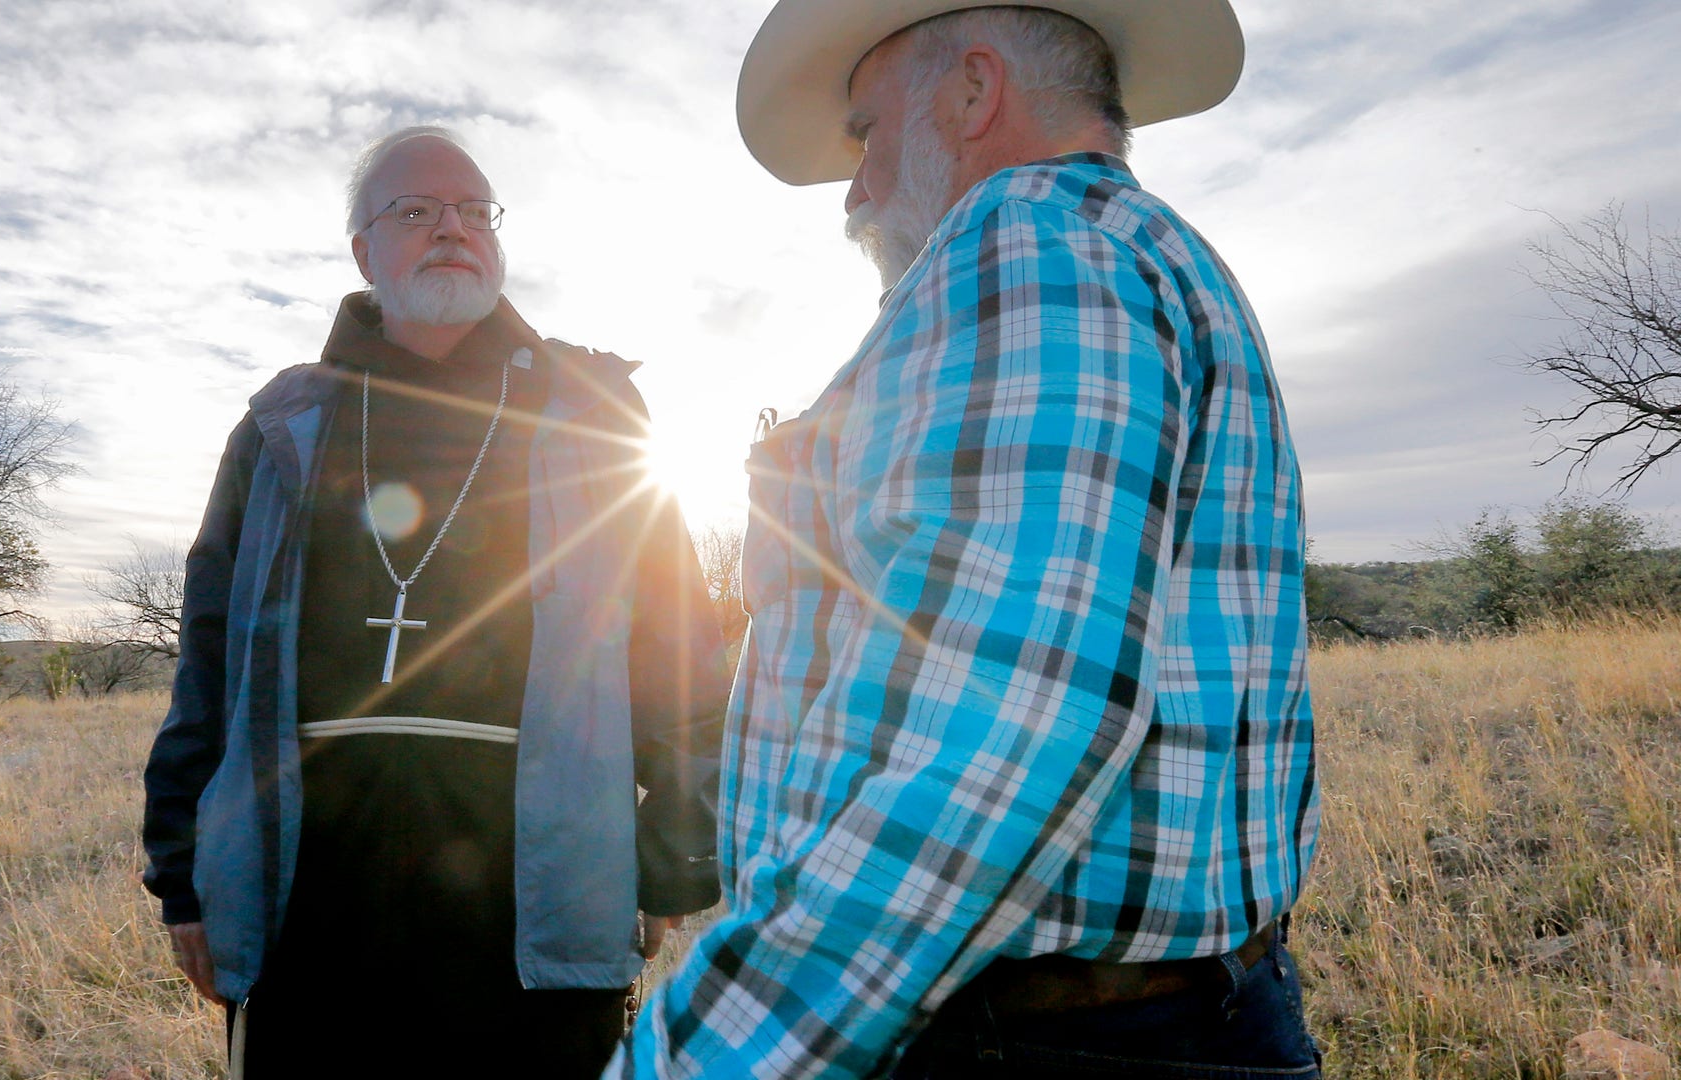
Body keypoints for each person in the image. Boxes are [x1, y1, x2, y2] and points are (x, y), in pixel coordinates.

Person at [611, 2, 1320, 1077]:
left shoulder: (1024, 236)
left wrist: (706, 1059)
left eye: (864, 133)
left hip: (1036, 1036)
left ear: (975, 92)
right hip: (1170, 1017)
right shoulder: (1153, 254)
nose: (853, 190)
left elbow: (1012, 720)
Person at [141, 126, 729, 1076]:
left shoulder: (592, 407)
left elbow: (676, 637)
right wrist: (182, 879)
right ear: (363, 253)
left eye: (474, 212)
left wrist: (675, 847)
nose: (453, 230)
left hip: (532, 889)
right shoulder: (284, 425)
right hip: (316, 887)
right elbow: (209, 658)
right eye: (416, 212)